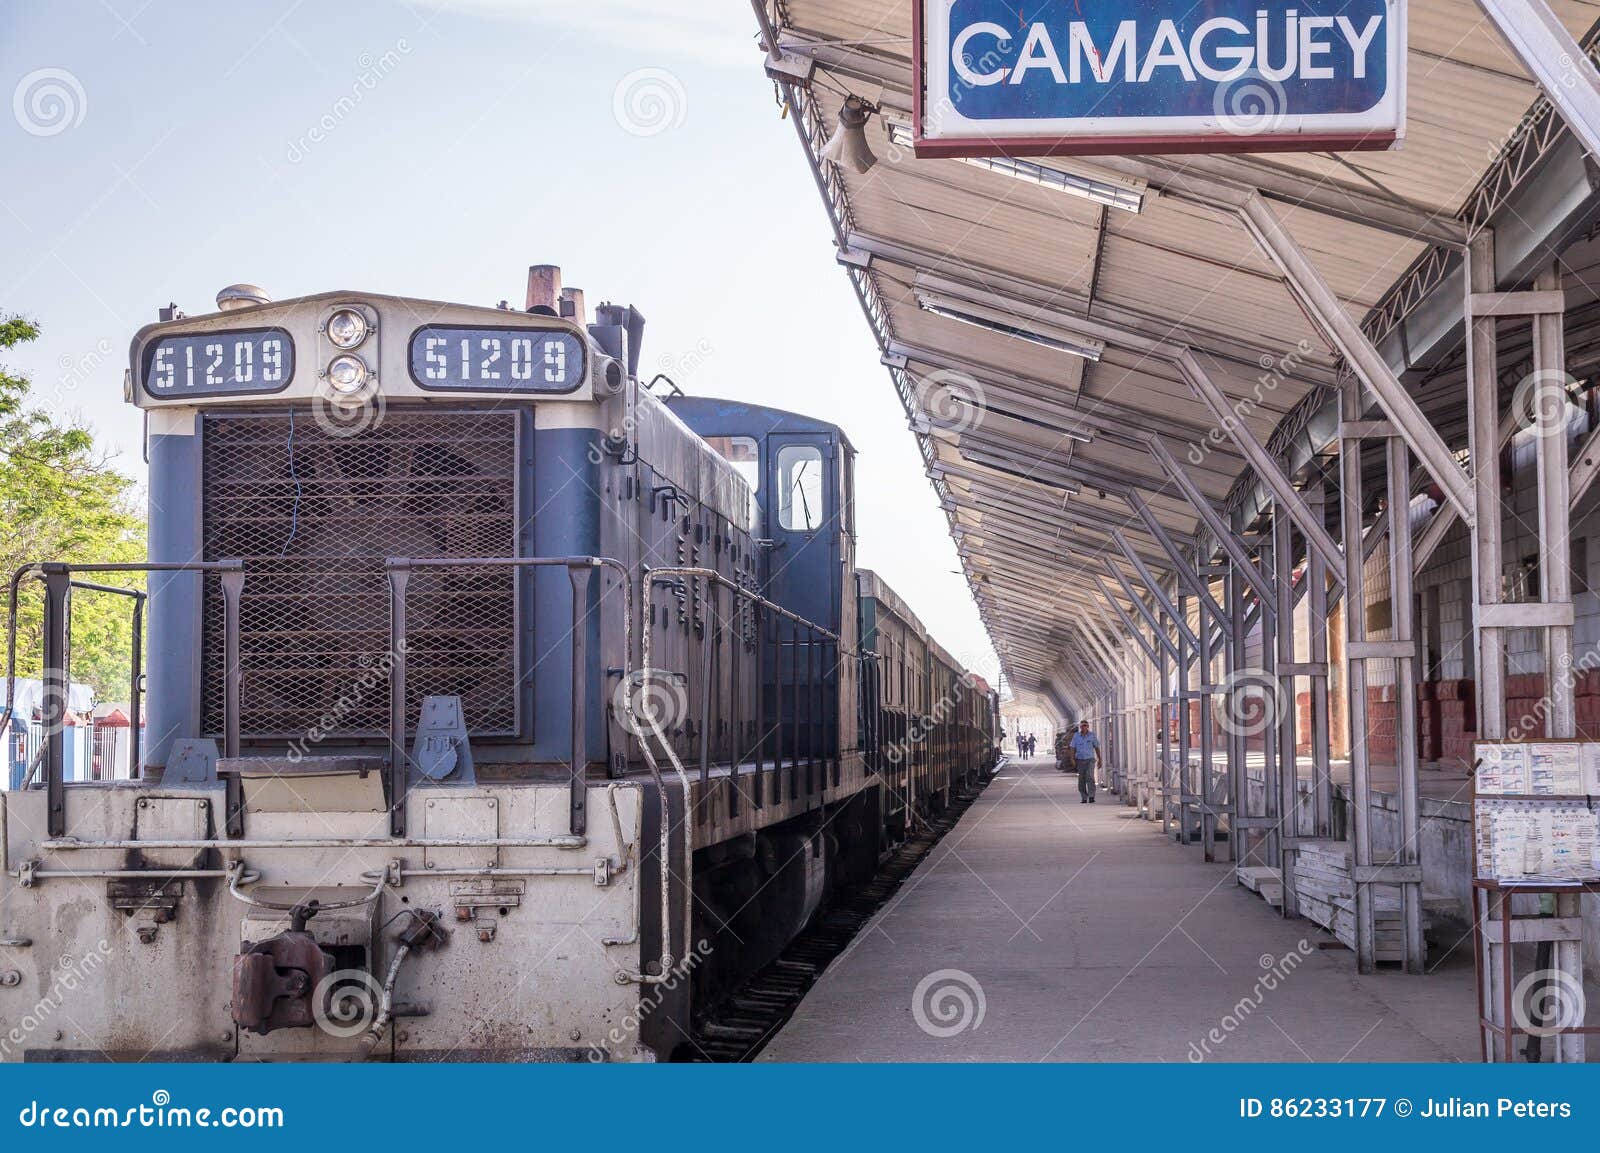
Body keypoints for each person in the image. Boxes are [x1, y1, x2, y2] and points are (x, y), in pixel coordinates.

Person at [1068, 719, 1101, 803]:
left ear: (1088, 727)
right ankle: (1084, 797)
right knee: (1081, 779)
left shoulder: (1092, 735)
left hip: (1090, 760)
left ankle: (1091, 796)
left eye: (1085, 726)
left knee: (1090, 777)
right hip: (1080, 760)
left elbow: (1096, 747)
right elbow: (1072, 747)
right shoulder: (1076, 736)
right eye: (1082, 726)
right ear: (1080, 727)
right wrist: (1072, 758)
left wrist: (1100, 759)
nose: (1083, 728)